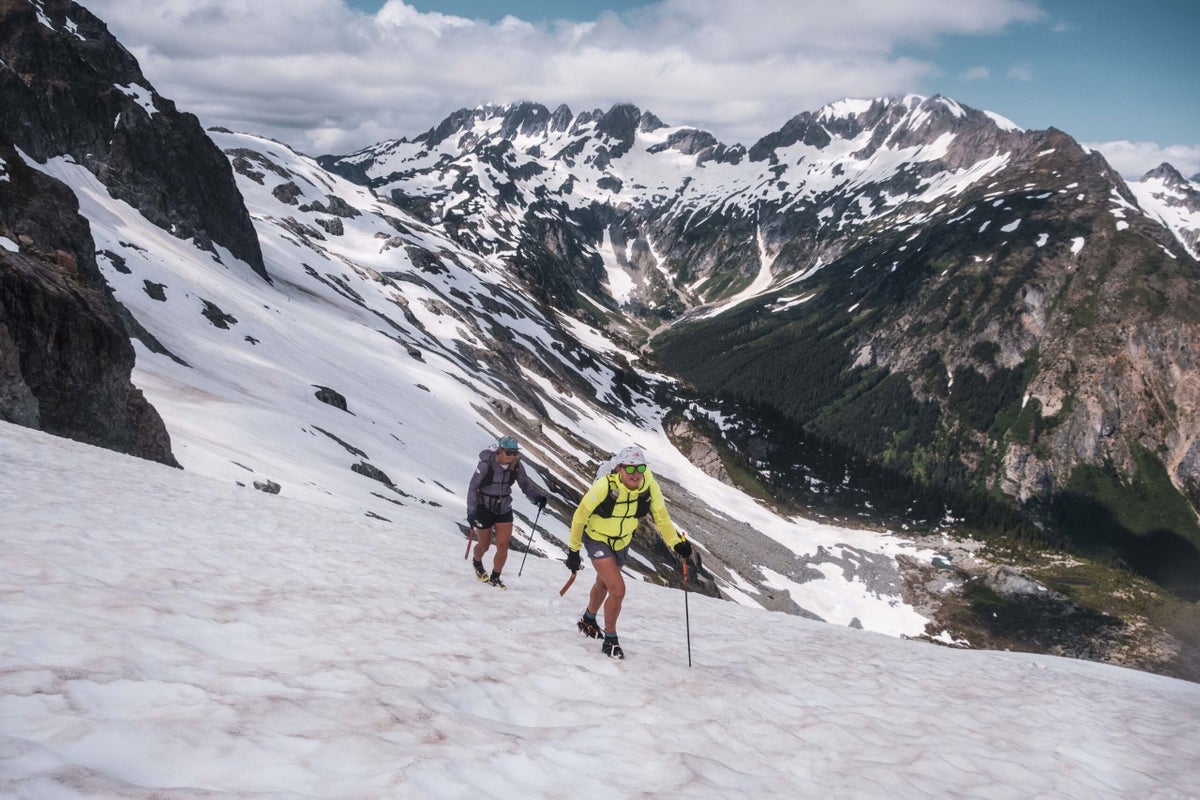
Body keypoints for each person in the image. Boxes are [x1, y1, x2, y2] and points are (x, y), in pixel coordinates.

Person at [565, 446, 691, 658]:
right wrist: (574, 550)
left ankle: (588, 618)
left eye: (640, 468)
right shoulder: (604, 486)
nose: (635, 473)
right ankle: (610, 640)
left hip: (622, 542)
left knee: (604, 584)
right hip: (596, 538)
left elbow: (662, 518)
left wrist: (676, 543)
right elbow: (580, 517)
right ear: (619, 469)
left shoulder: (649, 487)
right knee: (618, 590)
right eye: (630, 468)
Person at [467, 434, 547, 589]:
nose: (512, 456)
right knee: (484, 546)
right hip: (484, 507)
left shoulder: (516, 466)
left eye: (515, 453)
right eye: (509, 453)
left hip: (504, 507)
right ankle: (477, 562)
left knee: (503, 545)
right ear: (499, 451)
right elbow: (472, 487)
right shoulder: (485, 465)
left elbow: (525, 486)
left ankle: (495, 577)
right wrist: (471, 511)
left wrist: (536, 497)